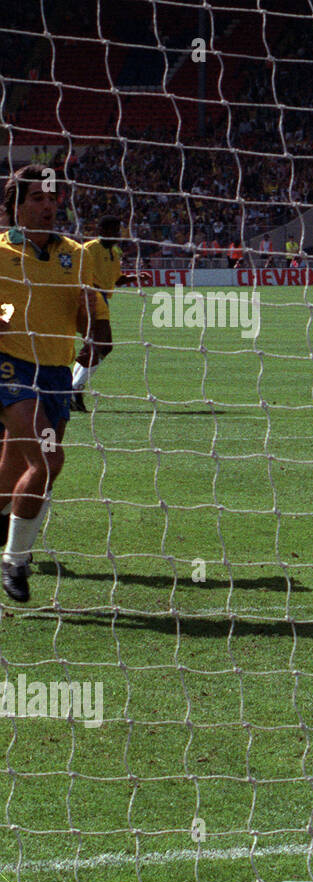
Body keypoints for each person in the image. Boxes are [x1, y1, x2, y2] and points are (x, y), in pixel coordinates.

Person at [0, 164, 97, 601]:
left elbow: (81, 310)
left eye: (51, 198)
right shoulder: (0, 251)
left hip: (55, 372)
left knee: (12, 472)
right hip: (10, 367)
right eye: (36, 198)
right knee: (47, 461)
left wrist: (92, 324)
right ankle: (15, 563)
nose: (47, 206)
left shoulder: (75, 253)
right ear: (16, 207)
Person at [71, 215, 130, 411]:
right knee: (99, 344)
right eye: (115, 230)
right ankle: (73, 390)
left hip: (102, 298)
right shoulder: (89, 249)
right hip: (91, 296)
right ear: (103, 231)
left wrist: (133, 278)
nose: (118, 234)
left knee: (103, 347)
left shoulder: (113, 252)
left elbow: (116, 279)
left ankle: (71, 388)